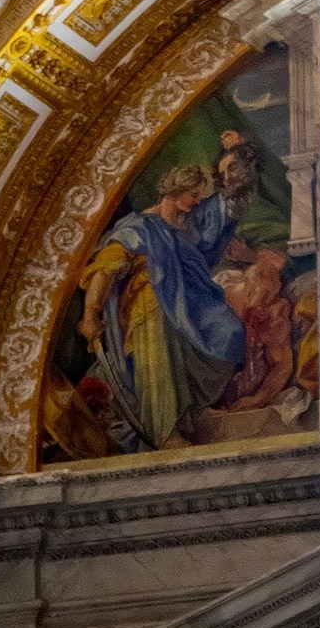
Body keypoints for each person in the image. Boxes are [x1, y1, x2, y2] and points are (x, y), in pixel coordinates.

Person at [77, 162, 245, 448]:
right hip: (150, 301)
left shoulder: (185, 227)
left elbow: (211, 236)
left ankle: (192, 407)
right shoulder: (139, 227)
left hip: (190, 301)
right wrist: (90, 314)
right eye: (193, 194)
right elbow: (105, 269)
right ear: (175, 192)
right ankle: (167, 432)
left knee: (230, 331)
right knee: (160, 353)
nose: (197, 201)